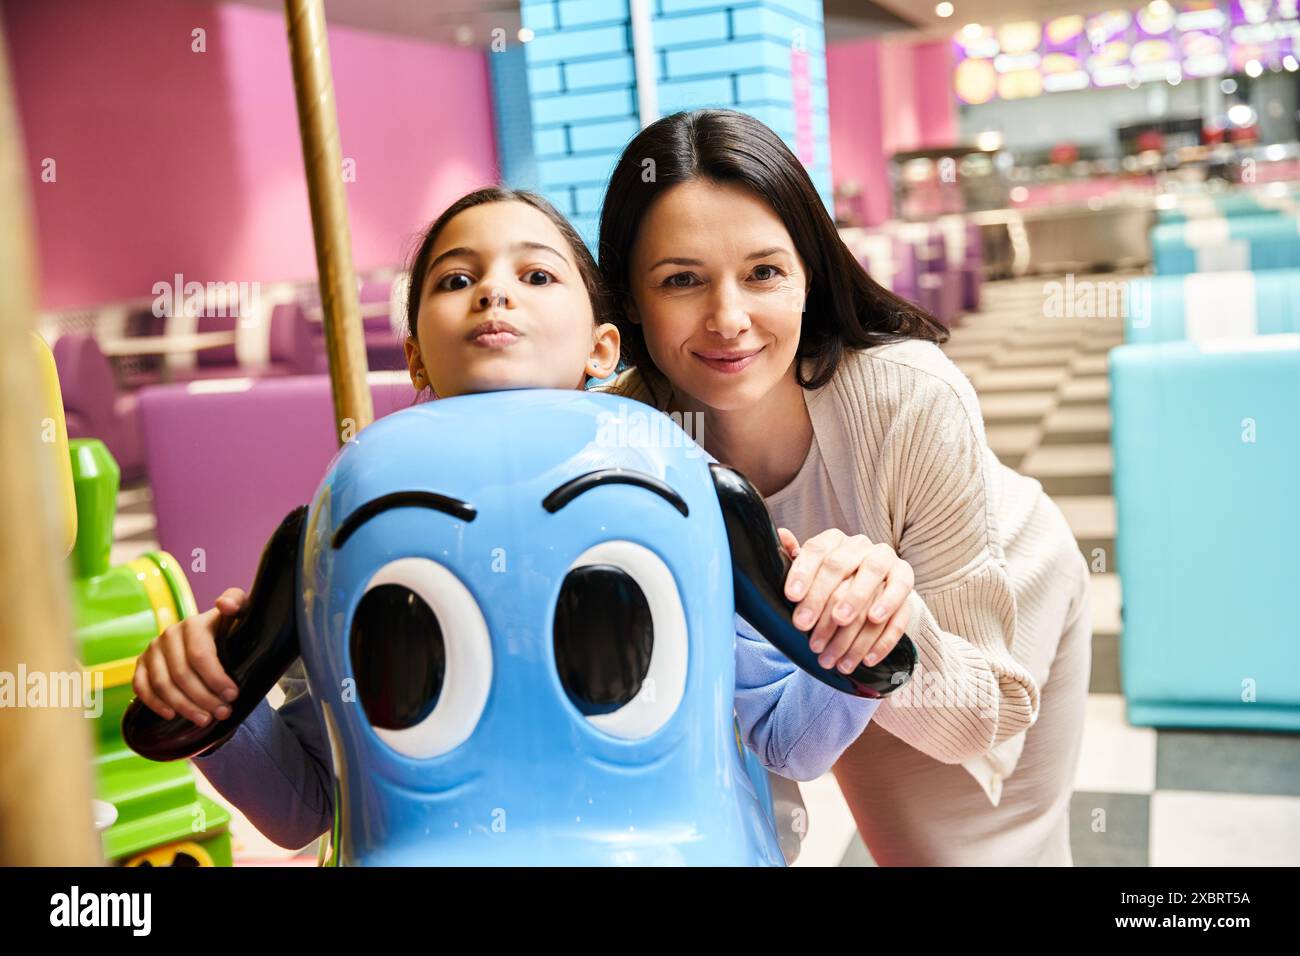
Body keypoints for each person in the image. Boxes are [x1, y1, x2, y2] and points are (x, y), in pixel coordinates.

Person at [130, 187, 904, 850]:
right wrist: (208, 701)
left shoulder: (677, 487)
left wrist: (851, 623)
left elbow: (790, 739)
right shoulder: (354, 522)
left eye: (535, 274)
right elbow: (302, 808)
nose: (493, 293)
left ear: (604, 347)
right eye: (456, 278)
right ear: (415, 357)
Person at [596, 109, 1092, 865]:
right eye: (682, 280)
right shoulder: (628, 435)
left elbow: (975, 719)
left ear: (807, 278)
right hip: (839, 654)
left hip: (984, 625)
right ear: (630, 302)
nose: (728, 319)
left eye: (763, 272)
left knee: (951, 854)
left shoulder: (908, 397)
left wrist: (888, 626)